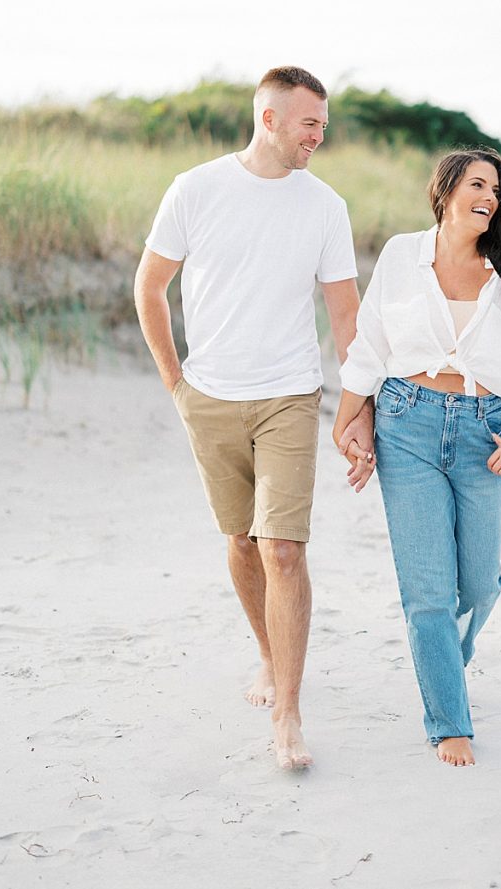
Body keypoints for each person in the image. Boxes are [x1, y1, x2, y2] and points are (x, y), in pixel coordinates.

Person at [135, 65, 369, 770]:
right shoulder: (196, 189)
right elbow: (150, 286)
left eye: (323, 126)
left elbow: (345, 314)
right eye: (308, 124)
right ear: (269, 118)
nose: (317, 137)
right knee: (241, 541)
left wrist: (356, 410)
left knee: (283, 548)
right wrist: (177, 383)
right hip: (209, 397)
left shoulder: (325, 205)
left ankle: (289, 714)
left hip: (290, 395)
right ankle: (269, 658)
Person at [333, 148, 501, 767]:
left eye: (496, 187)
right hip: (407, 423)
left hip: (484, 435)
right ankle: (449, 721)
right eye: (476, 183)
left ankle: (445, 655)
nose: (488, 195)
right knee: (429, 592)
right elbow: (371, 343)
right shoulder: (403, 256)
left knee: (480, 584)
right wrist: (348, 414)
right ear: (445, 191)